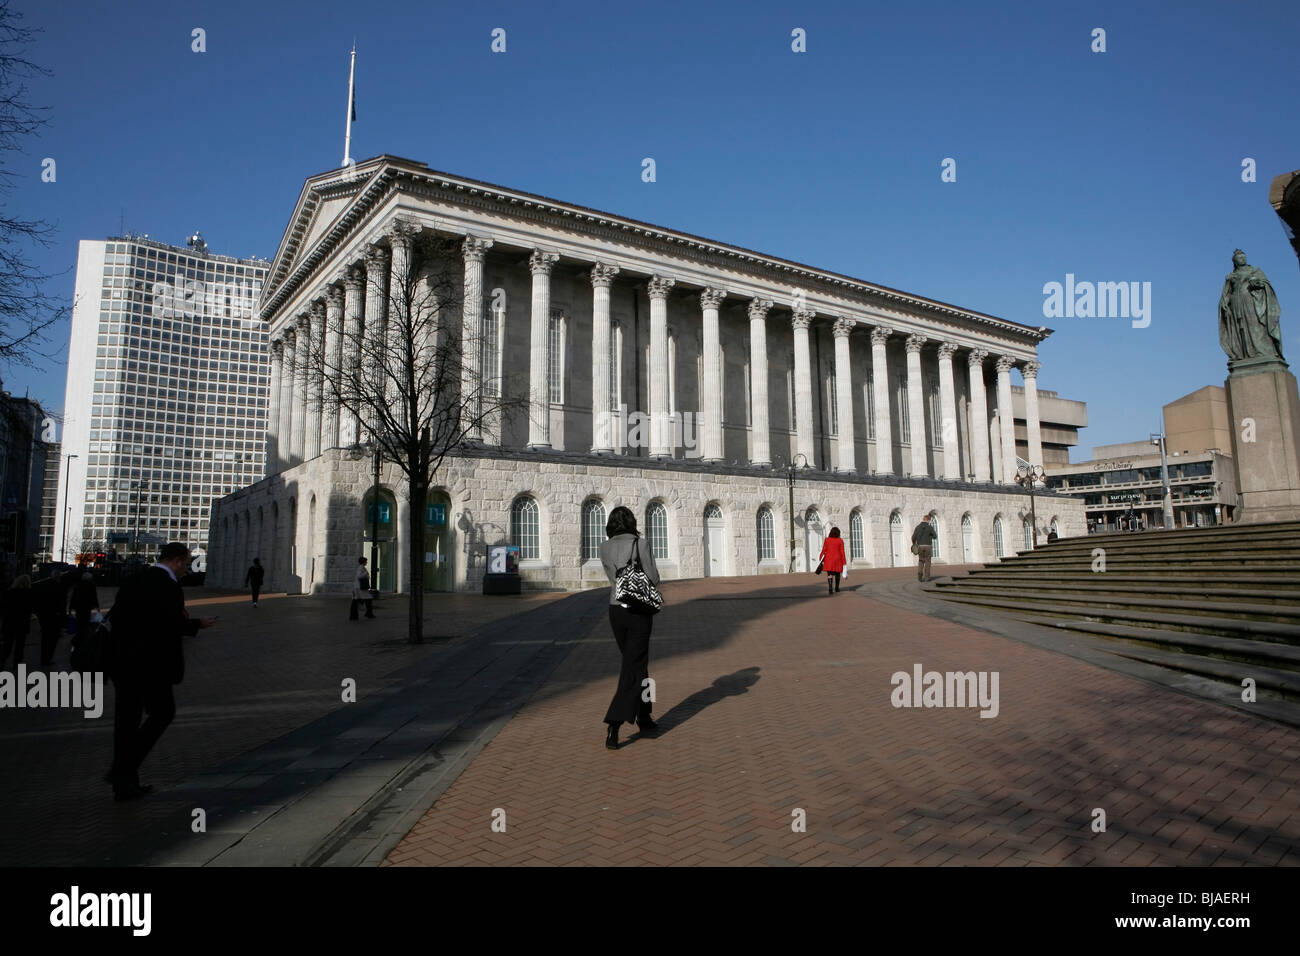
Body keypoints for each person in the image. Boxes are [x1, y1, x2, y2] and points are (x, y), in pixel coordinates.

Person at [106, 542, 216, 801]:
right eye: (186, 564)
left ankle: (124, 784)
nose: (186, 571)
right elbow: (167, 623)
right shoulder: (167, 585)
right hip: (150, 665)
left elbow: (121, 618)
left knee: (126, 722)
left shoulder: (136, 579)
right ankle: (122, 770)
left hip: (122, 662)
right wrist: (196, 624)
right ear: (176, 561)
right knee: (163, 712)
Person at [599, 505, 661, 751]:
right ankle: (614, 721)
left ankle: (645, 716)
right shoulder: (640, 544)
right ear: (632, 521)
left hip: (616, 608)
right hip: (638, 610)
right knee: (634, 666)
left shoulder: (604, 547)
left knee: (637, 664)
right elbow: (654, 577)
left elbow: (611, 578)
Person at [31, 568, 75, 667]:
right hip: (55, 617)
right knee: (52, 640)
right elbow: (62, 606)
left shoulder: (42, 585)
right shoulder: (60, 588)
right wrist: (64, 623)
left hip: (44, 616)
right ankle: (47, 659)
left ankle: (44, 658)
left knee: (45, 638)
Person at [0, 575, 34, 670]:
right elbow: (31, 609)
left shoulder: (8, 593)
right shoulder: (28, 594)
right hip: (22, 623)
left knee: (7, 645)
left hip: (9, 622)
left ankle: (2, 661)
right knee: (20, 646)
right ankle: (17, 664)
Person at [70, 572, 100, 645]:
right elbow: (94, 596)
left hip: (79, 606)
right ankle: (84, 637)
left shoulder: (78, 585)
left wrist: (71, 607)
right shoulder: (91, 585)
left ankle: (79, 637)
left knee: (79, 621)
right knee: (86, 622)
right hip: (87, 607)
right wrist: (96, 606)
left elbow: (73, 597)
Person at [818, 527, 847, 594]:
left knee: (830, 574)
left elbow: (824, 550)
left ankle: (830, 588)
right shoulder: (840, 540)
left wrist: (820, 558)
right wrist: (844, 562)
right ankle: (837, 588)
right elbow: (842, 552)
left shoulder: (827, 540)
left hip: (829, 559)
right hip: (838, 559)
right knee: (837, 574)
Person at [911, 513, 938, 583]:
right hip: (928, 546)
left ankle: (920, 574)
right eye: (930, 520)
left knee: (921, 561)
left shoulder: (918, 527)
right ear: (928, 520)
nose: (930, 522)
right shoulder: (930, 527)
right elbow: (935, 536)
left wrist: (914, 544)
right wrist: (930, 537)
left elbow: (913, 537)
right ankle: (927, 577)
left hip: (920, 546)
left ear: (923, 519)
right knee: (928, 562)